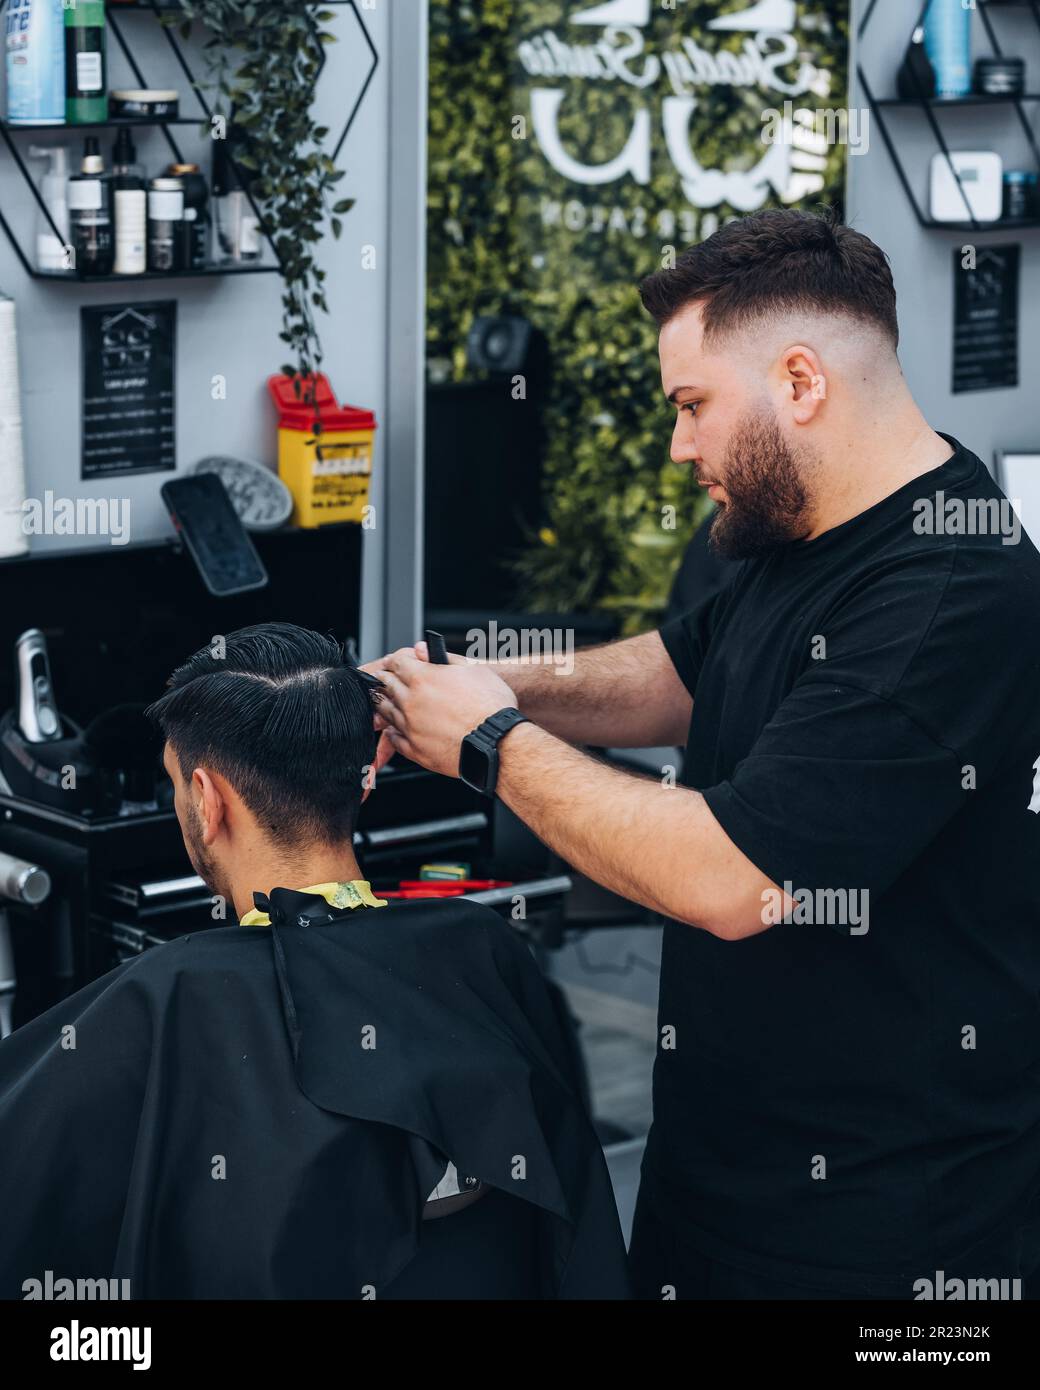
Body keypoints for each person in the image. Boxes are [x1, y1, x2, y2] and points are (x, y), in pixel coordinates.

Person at [366, 210, 1040, 1300]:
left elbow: (739, 879)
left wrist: (489, 744)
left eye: (692, 407)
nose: (678, 445)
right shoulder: (800, 525)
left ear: (800, 381)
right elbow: (677, 673)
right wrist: (475, 681)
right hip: (719, 1178)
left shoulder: (948, 597)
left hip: (882, 1230)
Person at [0, 623, 630, 1300]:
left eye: (178, 786)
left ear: (208, 802)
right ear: (363, 783)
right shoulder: (484, 949)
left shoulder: (169, 998)